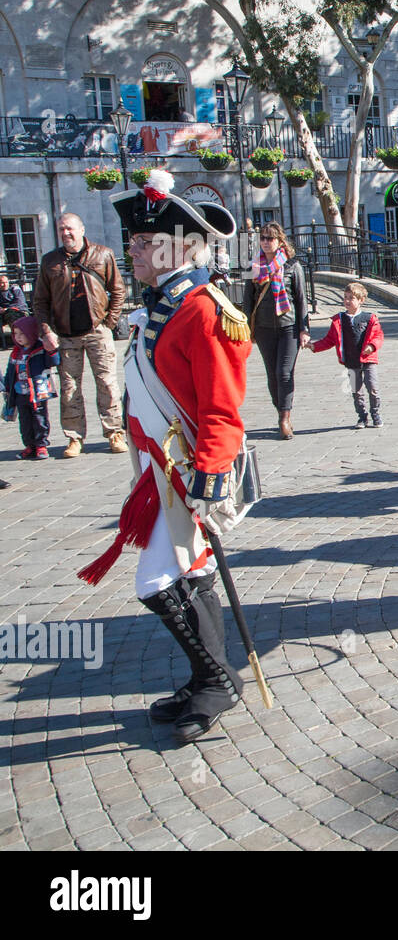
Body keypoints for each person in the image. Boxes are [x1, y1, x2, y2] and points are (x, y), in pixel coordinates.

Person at [78, 168, 254, 744]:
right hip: (160, 468)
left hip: (188, 471)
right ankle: (213, 679)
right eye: (133, 240)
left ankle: (215, 679)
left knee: (156, 581)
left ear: (179, 247)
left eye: (142, 242)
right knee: (194, 570)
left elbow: (222, 409)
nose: (131, 249)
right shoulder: (164, 304)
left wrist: (208, 477)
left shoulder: (206, 311)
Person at [33, 212, 127, 458]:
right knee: (69, 388)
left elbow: (118, 290)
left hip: (97, 330)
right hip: (65, 334)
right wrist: (46, 331)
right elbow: (40, 301)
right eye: (62, 229)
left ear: (82, 229)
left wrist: (109, 322)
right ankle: (74, 437)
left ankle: (115, 431)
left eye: (70, 228)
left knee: (107, 383)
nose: (66, 233)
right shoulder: (50, 261)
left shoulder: (102, 254)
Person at [242, 222, 309, 439]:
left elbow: (300, 300)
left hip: (288, 326)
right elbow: (247, 300)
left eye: (270, 238)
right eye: (263, 238)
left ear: (280, 241)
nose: (266, 242)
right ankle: (280, 409)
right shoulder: (253, 267)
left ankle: (285, 419)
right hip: (263, 328)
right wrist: (245, 326)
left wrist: (303, 329)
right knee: (272, 375)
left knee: (283, 372)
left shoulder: (292, 266)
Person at [306, 281, 384, 429]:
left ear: (361, 300)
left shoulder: (369, 318)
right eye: (345, 297)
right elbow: (329, 340)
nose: (347, 301)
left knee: (373, 387)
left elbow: (378, 336)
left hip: (368, 360)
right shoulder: (339, 319)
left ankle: (376, 413)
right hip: (351, 360)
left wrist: (371, 346)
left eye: (351, 298)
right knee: (356, 391)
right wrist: (314, 346)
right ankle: (362, 416)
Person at [3, 315, 60, 459]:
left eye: (22, 334)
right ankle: (30, 445)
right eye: (16, 334)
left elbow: (53, 362)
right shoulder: (16, 352)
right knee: (25, 421)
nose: (19, 337)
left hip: (37, 392)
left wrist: (52, 350)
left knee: (39, 418)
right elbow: (10, 372)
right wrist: (7, 388)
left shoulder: (40, 348)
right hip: (20, 393)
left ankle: (41, 444)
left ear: (31, 333)